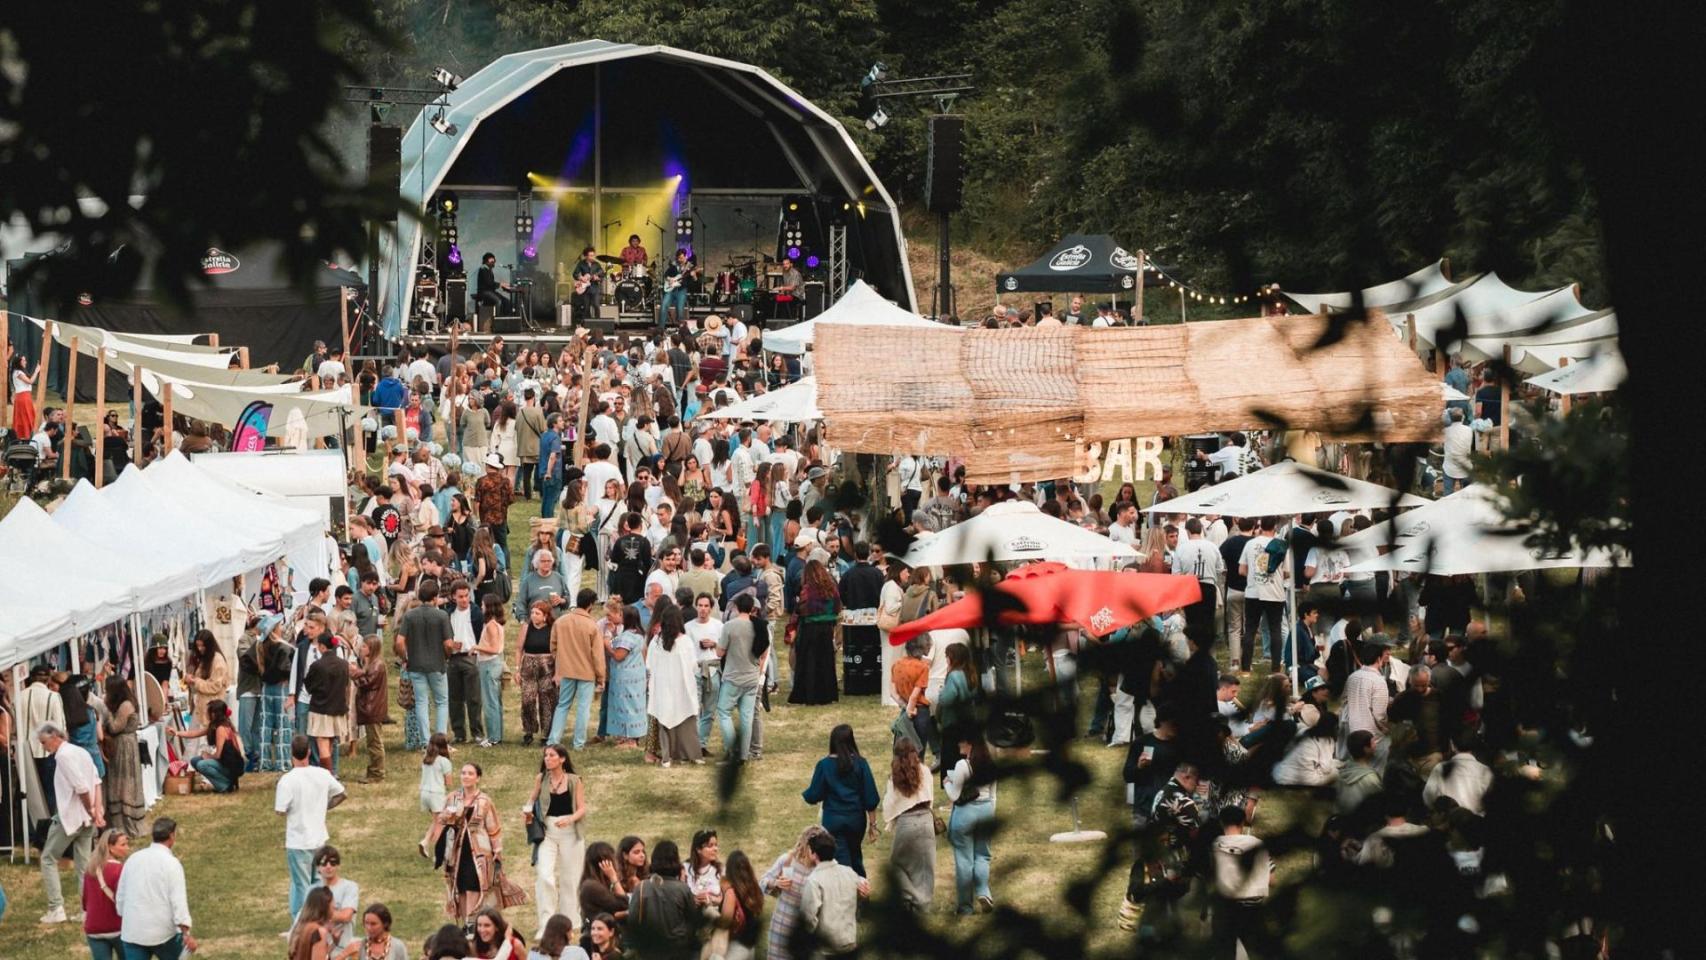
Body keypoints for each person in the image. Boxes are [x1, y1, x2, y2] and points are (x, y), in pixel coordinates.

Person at [424, 762, 509, 923]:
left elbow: (493, 827)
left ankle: (472, 924)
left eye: (470, 773)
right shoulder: (453, 797)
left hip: (479, 851)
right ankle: (466, 925)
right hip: (457, 850)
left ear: (478, 778)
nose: (466, 776)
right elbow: (440, 820)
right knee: (461, 888)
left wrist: (497, 850)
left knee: (474, 887)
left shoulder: (484, 801)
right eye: (463, 773)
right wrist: (447, 816)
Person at [277, 735, 347, 925]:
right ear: (309, 752)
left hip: (298, 841)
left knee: (300, 885)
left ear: (291, 753)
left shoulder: (287, 780)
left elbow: (280, 810)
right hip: (319, 838)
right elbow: (342, 794)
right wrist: (324, 807)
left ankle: (301, 923)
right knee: (317, 883)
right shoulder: (322, 774)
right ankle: (318, 918)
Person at [37, 721, 102, 925]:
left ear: (55, 737)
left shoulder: (64, 756)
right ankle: (87, 910)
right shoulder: (80, 752)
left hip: (72, 817)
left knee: (48, 858)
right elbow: (96, 781)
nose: (43, 747)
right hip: (86, 818)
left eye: (44, 742)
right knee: (84, 865)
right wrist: (96, 810)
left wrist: (91, 808)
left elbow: (81, 786)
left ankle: (56, 907)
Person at [801, 724, 881, 876]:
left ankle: (851, 886)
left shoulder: (824, 765)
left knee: (841, 862)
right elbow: (870, 797)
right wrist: (873, 824)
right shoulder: (861, 764)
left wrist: (807, 794)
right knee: (855, 856)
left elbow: (814, 795)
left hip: (833, 820)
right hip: (856, 820)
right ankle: (861, 886)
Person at [114, 818, 197, 960]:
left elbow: (121, 895)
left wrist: (126, 915)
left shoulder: (133, 859)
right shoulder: (172, 864)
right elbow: (178, 901)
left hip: (133, 931)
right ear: (172, 836)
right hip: (162, 933)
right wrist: (186, 933)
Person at [527, 745, 589, 935]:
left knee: (570, 878)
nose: (547, 758)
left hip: (570, 832)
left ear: (562, 759)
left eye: (552, 755)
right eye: (546, 755)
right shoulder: (541, 779)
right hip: (547, 832)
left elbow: (582, 808)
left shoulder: (574, 780)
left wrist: (570, 819)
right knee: (544, 875)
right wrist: (527, 812)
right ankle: (546, 924)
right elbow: (531, 800)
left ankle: (570, 921)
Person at [944, 731, 997, 915]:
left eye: (962, 741)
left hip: (965, 814)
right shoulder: (991, 765)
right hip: (986, 810)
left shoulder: (962, 765)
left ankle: (965, 907)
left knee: (964, 861)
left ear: (970, 744)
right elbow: (993, 795)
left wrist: (947, 783)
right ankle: (983, 892)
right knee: (983, 856)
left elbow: (954, 795)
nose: (959, 743)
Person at [760, 825, 830, 960]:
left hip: (807, 933)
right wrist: (776, 883)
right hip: (781, 928)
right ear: (806, 845)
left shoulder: (822, 870)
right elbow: (762, 882)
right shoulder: (787, 860)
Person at [1210, 806, 1272, 959]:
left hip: (1226, 908)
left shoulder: (1213, 845)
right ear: (1243, 822)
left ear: (1221, 823)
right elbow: (1272, 879)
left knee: (1225, 952)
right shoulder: (1258, 845)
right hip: (1252, 907)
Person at [882, 738, 937, 912]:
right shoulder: (925, 771)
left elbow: (889, 804)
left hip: (906, 822)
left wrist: (890, 822)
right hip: (926, 820)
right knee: (926, 866)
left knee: (897, 865)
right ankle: (922, 902)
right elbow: (930, 795)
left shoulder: (894, 778)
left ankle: (909, 897)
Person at [549, 589, 607, 749]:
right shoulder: (592, 625)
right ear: (591, 605)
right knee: (583, 708)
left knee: (562, 706)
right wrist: (601, 677)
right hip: (586, 673)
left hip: (566, 670)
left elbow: (553, 646)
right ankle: (578, 743)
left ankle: (553, 740)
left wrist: (561, 660)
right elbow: (597, 655)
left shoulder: (561, 621)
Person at [648, 602, 703, 767]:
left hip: (663, 688)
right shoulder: (685, 642)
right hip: (681, 687)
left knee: (666, 719)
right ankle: (690, 754)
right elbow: (693, 666)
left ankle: (668, 756)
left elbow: (649, 665)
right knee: (686, 720)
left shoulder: (656, 642)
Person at [396, 579, 454, 737]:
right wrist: (446, 655)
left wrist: (405, 657)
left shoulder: (410, 615)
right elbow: (449, 644)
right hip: (437, 664)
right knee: (441, 702)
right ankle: (440, 738)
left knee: (421, 702)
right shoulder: (441, 616)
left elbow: (399, 642)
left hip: (415, 664)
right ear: (435, 598)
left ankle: (425, 741)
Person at [796, 831, 867, 957]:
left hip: (826, 948)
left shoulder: (814, 880)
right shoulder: (849, 872)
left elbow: (808, 916)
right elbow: (860, 895)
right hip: (849, 940)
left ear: (814, 854)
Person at [715, 594, 767, 762]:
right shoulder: (759, 626)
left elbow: (719, 652)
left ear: (736, 608)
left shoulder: (729, 626)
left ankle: (733, 750)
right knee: (747, 717)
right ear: (752, 608)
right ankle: (744, 754)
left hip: (733, 676)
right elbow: (764, 652)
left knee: (724, 712)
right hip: (752, 677)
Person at [625, 840, 697, 960]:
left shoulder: (642, 887)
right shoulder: (683, 889)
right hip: (677, 949)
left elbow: (633, 919)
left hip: (648, 948)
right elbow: (692, 920)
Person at [787, 559, 842, 705]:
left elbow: (801, 609)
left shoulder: (807, 590)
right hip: (827, 629)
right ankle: (827, 694)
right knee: (826, 661)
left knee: (809, 662)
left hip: (809, 628)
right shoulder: (831, 588)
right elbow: (837, 607)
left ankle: (808, 695)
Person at [99, 676, 147, 833]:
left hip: (124, 746)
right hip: (124, 745)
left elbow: (115, 727)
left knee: (124, 782)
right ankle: (119, 819)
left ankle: (125, 821)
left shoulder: (126, 705)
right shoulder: (127, 702)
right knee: (121, 780)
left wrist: (106, 712)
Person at [172, 698, 245, 794]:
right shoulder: (216, 726)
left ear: (214, 714)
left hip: (231, 766)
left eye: (208, 712)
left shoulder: (221, 729)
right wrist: (176, 733)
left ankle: (225, 785)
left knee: (202, 764)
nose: (206, 714)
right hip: (225, 762)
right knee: (195, 760)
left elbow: (218, 755)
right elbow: (195, 733)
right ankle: (226, 781)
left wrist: (207, 756)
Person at [304, 630, 352, 772]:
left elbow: (309, 686)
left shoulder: (317, 665)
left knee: (322, 745)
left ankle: (327, 776)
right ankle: (330, 773)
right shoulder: (344, 664)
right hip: (338, 708)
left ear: (322, 647)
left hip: (321, 709)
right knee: (330, 743)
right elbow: (346, 685)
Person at [301, 845, 361, 953]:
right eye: (324, 863)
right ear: (317, 867)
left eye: (333, 863)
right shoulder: (311, 890)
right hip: (316, 948)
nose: (328, 866)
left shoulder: (350, 887)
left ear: (338, 865)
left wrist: (317, 913)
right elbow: (305, 919)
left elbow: (346, 916)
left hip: (343, 949)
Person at [707, 849, 764, 960]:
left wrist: (710, 912)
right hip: (750, 947)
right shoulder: (754, 887)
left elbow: (725, 922)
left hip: (735, 947)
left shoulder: (731, 892)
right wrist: (720, 902)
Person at [82, 828, 129, 960]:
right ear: (110, 847)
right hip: (117, 927)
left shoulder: (90, 869)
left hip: (94, 928)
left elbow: (85, 901)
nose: (127, 848)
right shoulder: (121, 870)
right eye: (123, 845)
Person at [352, 634, 390, 783]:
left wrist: (354, 674)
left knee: (375, 742)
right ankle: (373, 771)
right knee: (372, 742)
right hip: (371, 708)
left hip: (373, 708)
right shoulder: (371, 663)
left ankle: (377, 773)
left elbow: (366, 682)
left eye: (364, 646)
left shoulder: (377, 665)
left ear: (371, 649)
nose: (361, 648)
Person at [577, 842, 632, 935]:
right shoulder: (592, 886)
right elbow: (624, 903)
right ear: (605, 863)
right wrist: (613, 877)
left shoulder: (595, 883)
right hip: (597, 935)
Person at [475, 594, 508, 746]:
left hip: (489, 665)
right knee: (495, 701)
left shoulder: (491, 626)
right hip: (494, 664)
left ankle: (493, 737)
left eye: (483, 605)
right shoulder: (496, 624)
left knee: (490, 702)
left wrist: (476, 647)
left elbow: (494, 648)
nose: (481, 607)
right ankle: (497, 735)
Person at [333, 903, 410, 960]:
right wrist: (345, 953)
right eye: (366, 923)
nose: (368, 927)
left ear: (385, 924)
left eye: (373, 924)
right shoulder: (359, 946)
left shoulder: (397, 946)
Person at [291, 887, 337, 960]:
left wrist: (335, 943)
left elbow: (316, 954)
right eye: (332, 903)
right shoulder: (319, 932)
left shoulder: (301, 926)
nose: (334, 906)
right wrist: (346, 953)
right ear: (325, 906)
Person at [420, 733, 455, 814]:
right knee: (440, 820)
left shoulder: (426, 759)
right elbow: (448, 782)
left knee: (435, 819)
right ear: (444, 746)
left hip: (424, 793)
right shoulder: (444, 761)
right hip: (436, 794)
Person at [571, 247, 605, 323]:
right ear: (586, 256)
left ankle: (598, 322)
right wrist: (581, 278)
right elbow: (575, 274)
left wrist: (597, 278)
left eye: (593, 255)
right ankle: (588, 323)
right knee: (586, 307)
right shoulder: (581, 264)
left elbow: (602, 275)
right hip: (585, 289)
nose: (592, 257)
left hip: (595, 288)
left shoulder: (597, 264)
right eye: (590, 255)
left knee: (596, 305)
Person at [477, 252, 516, 317]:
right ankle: (498, 319)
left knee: (506, 301)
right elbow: (489, 283)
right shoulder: (483, 269)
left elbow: (491, 283)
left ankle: (506, 318)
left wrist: (502, 284)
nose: (493, 263)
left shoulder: (488, 269)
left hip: (490, 291)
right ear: (486, 261)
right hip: (484, 292)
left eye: (494, 261)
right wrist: (501, 284)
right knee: (498, 301)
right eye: (491, 261)